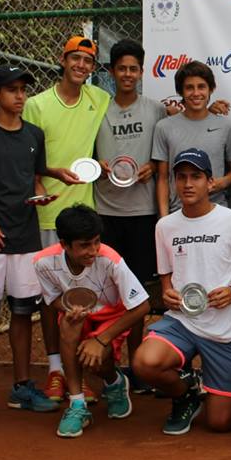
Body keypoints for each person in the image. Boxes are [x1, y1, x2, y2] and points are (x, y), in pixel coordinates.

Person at [0, 64, 81, 422]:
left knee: (23, 313)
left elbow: (35, 179)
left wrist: (41, 195)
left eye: (23, 89)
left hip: (26, 238)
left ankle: (21, 386)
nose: (20, 96)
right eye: (12, 90)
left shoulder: (34, 135)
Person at [134, 149, 231, 435]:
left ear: (210, 181)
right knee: (146, 362)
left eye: (196, 177)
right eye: (181, 177)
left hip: (225, 328)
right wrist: (167, 291)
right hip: (183, 321)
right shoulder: (165, 225)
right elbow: (166, 272)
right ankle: (186, 393)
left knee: (220, 424)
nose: (188, 184)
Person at [24, 35, 111, 403]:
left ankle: (82, 372)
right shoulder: (36, 105)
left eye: (87, 61)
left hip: (85, 214)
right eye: (75, 58)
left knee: (86, 296)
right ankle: (55, 370)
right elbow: (28, 159)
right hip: (48, 215)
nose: (81, 66)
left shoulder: (99, 99)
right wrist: (43, 184)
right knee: (51, 300)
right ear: (62, 60)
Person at [33, 204, 151, 438]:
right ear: (64, 244)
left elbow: (142, 305)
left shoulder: (110, 260)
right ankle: (77, 405)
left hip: (112, 315)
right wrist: (69, 311)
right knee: (67, 326)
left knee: (95, 358)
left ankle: (114, 381)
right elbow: (53, 299)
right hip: (80, 314)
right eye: (84, 245)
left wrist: (101, 339)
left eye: (96, 241)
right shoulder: (42, 262)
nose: (93, 250)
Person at [94, 39, 166, 384]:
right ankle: (108, 360)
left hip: (142, 212)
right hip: (105, 210)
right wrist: (96, 164)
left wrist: (153, 164)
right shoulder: (97, 109)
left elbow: (166, 148)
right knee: (107, 290)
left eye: (133, 68)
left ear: (141, 71)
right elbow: (84, 152)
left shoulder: (156, 109)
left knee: (138, 290)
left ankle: (136, 363)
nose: (127, 74)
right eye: (120, 68)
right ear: (110, 71)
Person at [152, 61, 231, 216]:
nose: (196, 93)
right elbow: (163, 178)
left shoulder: (227, 126)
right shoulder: (164, 127)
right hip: (177, 213)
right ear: (181, 91)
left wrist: (223, 181)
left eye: (201, 86)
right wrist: (164, 219)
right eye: (189, 87)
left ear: (211, 89)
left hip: (217, 212)